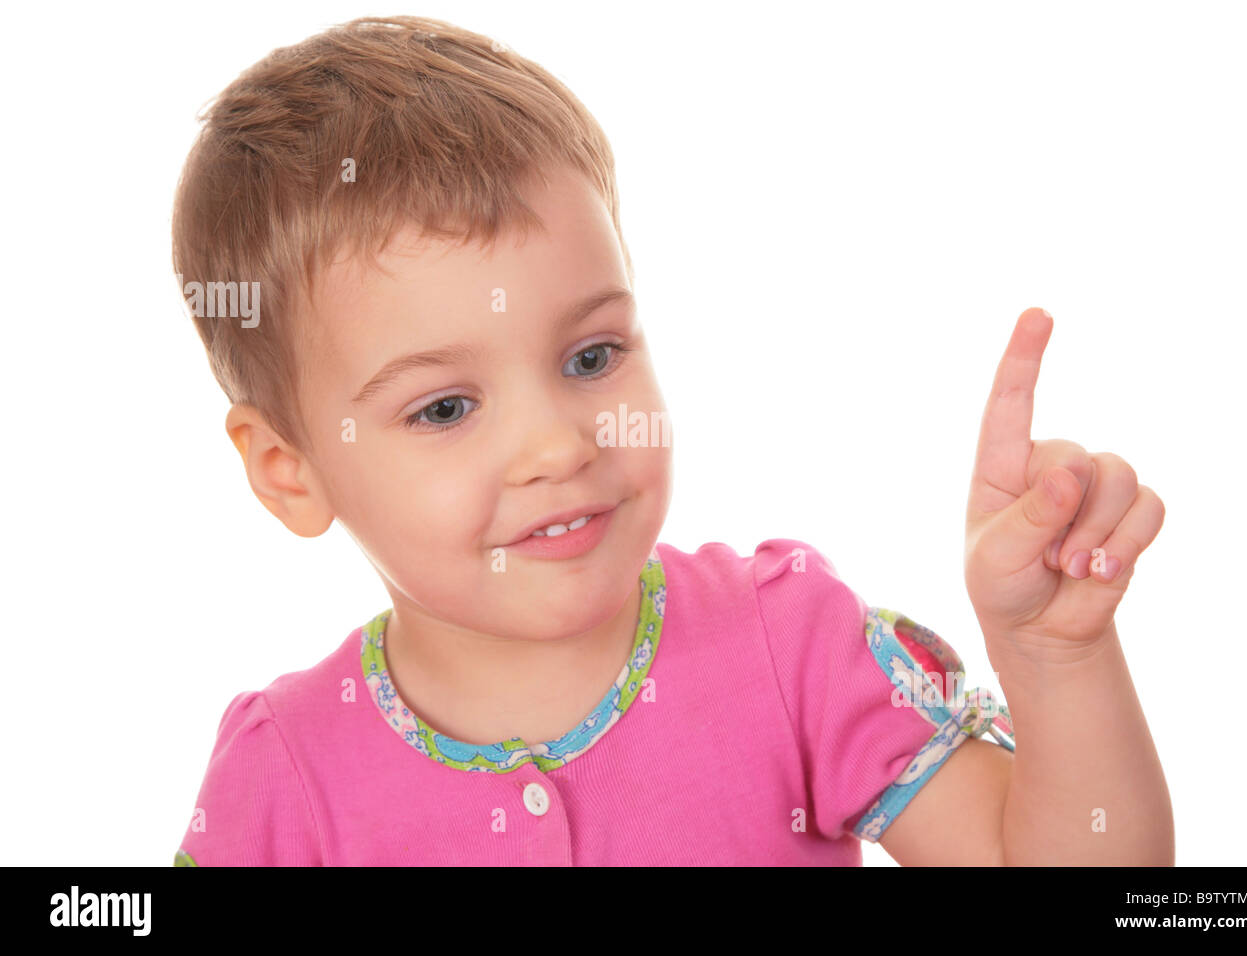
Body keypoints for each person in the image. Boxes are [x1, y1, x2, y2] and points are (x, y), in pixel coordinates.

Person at [171, 15, 1171, 866]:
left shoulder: (790, 646)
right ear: (286, 470)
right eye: (444, 407)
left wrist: (1054, 655)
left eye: (592, 356)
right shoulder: (280, 781)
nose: (557, 444)